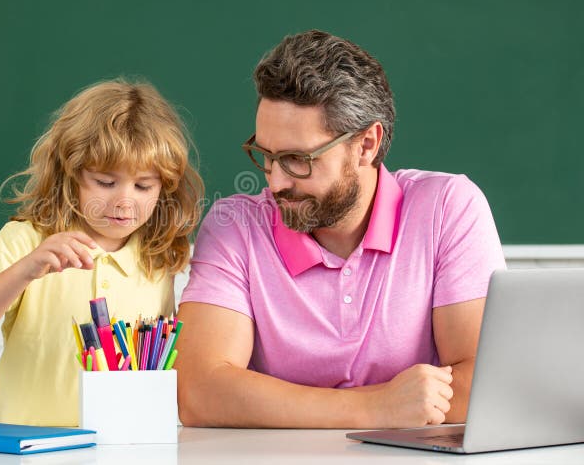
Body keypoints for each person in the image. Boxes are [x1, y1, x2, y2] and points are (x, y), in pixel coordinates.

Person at [176, 29, 506, 429]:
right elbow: (198, 393)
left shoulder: (448, 208)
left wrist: (279, 403)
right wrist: (377, 407)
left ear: (366, 144)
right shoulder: (235, 228)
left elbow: (486, 388)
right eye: (265, 155)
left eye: (298, 159)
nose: (275, 182)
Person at [0, 79, 203, 426]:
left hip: (121, 443)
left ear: (164, 187)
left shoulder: (160, 255)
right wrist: (25, 270)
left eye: (143, 186)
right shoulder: (27, 240)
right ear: (71, 174)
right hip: (27, 442)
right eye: (105, 183)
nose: (124, 201)